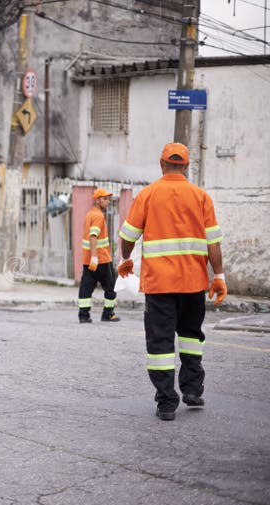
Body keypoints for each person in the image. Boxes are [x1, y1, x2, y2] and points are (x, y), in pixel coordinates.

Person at [118, 142, 227, 421]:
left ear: (161, 163)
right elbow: (213, 242)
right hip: (193, 283)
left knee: (161, 343)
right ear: (187, 166)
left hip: (160, 285)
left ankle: (167, 402)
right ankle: (192, 389)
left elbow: (128, 236)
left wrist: (126, 259)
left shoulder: (148, 194)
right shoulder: (201, 196)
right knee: (191, 338)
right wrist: (219, 276)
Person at [78, 188, 119, 323]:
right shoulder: (98, 216)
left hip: (88, 260)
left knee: (86, 287)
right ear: (97, 200)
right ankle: (108, 314)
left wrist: (91, 257)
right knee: (111, 286)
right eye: (104, 199)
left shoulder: (89, 214)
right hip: (101, 259)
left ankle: (83, 315)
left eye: (108, 199)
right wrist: (95, 256)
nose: (107, 201)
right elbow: (93, 235)